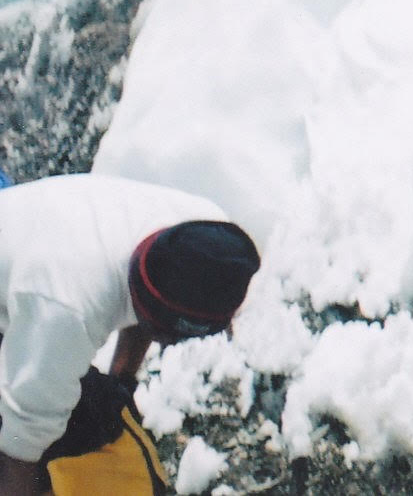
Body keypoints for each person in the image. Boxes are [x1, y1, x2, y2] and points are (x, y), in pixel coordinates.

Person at [0, 172, 260, 496]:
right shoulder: (67, 308)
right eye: (163, 333)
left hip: (34, 260)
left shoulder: (203, 237)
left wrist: (121, 384)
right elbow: (18, 449)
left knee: (97, 428)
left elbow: (148, 308)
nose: (168, 343)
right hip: (32, 289)